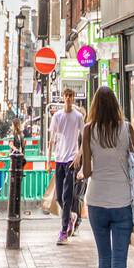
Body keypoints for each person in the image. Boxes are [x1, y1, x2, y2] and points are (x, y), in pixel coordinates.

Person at [81, 85, 134, 268]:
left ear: (95, 105)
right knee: (119, 262)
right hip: (123, 201)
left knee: (104, 258)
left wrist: (83, 171)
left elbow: (87, 171)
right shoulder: (127, 128)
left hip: (96, 201)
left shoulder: (88, 130)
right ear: (115, 105)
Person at [49, 88, 85, 245]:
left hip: (71, 160)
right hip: (59, 159)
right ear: (63, 98)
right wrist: (48, 158)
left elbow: (85, 137)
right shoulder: (57, 116)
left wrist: (79, 155)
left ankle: (64, 232)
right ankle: (70, 216)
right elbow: (52, 138)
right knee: (58, 197)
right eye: (67, 96)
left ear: (74, 98)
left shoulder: (78, 117)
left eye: (71, 96)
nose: (69, 98)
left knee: (67, 196)